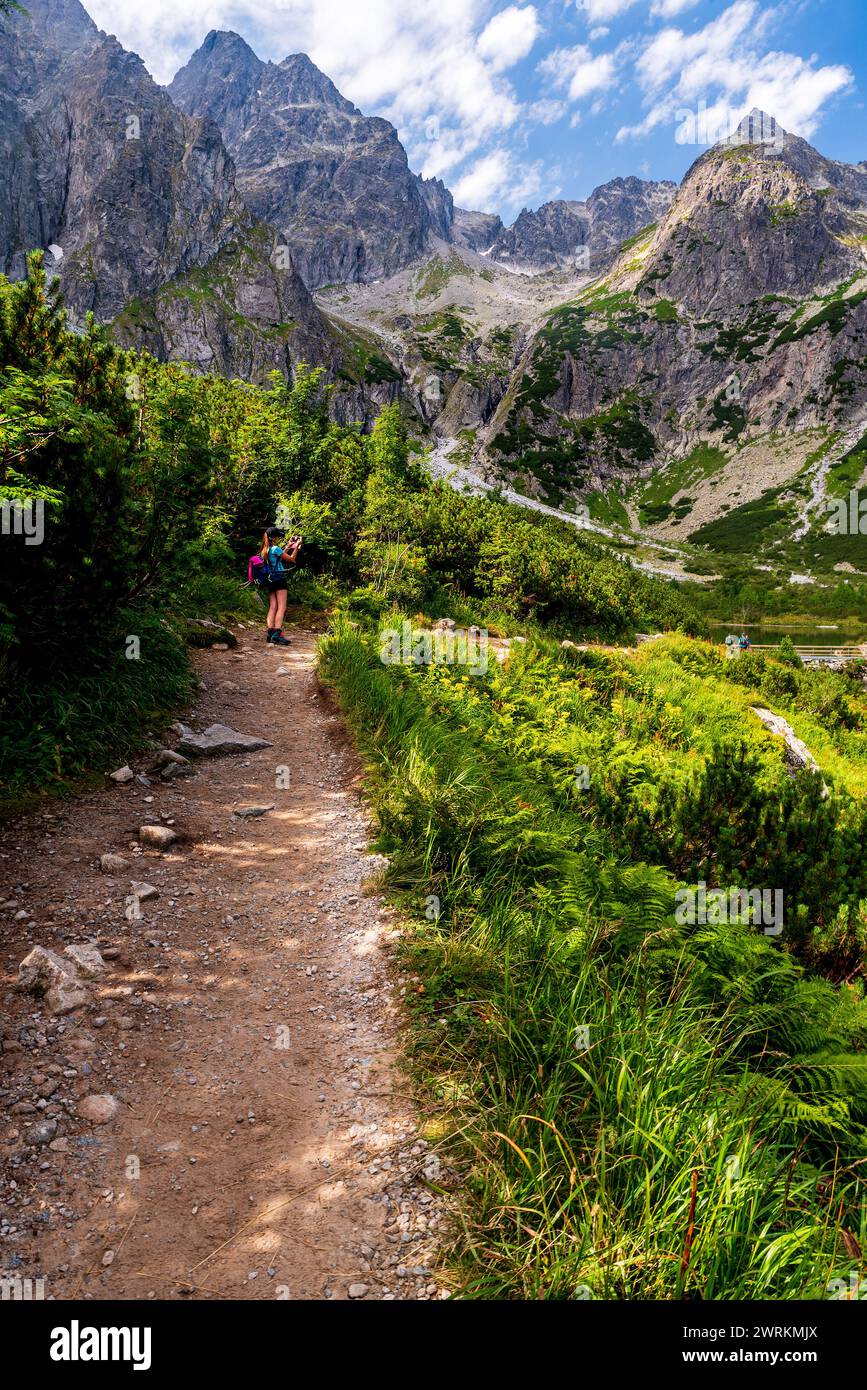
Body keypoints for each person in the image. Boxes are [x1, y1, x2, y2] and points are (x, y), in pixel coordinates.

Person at [261, 526, 302, 646]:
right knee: (282, 607)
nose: (279, 538)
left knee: (273, 606)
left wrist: (289, 546)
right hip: (279, 578)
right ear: (273, 538)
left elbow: (278, 556)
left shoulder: (265, 550)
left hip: (270, 579)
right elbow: (291, 559)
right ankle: (277, 634)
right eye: (277, 536)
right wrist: (297, 547)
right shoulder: (276, 548)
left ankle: (270, 632)